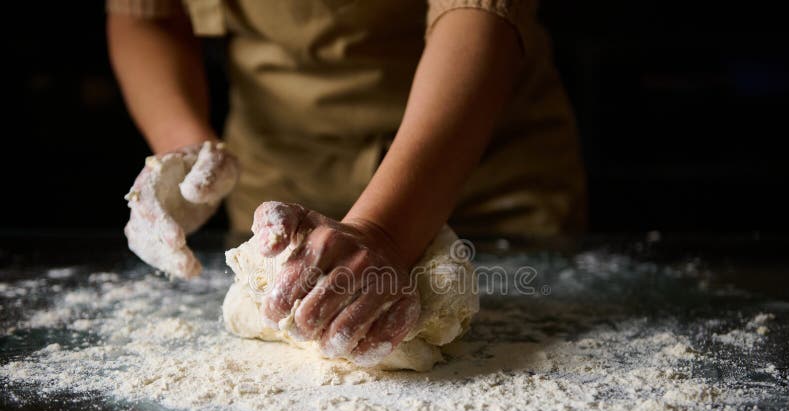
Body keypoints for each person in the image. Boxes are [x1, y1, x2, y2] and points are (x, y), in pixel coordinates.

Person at [107, 0, 586, 362]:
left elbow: (479, 14)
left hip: (478, 166)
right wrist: (185, 143)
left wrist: (384, 232)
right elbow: (144, 13)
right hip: (282, 177)